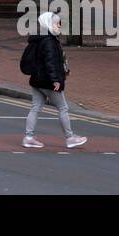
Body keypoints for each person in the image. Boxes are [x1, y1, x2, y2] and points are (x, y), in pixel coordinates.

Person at [23, 11, 87, 149]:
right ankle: (70, 138)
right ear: (49, 24)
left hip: (37, 80)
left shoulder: (40, 38)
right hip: (48, 81)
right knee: (63, 108)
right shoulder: (49, 42)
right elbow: (50, 62)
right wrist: (56, 80)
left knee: (35, 108)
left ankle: (28, 137)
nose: (59, 26)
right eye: (57, 23)